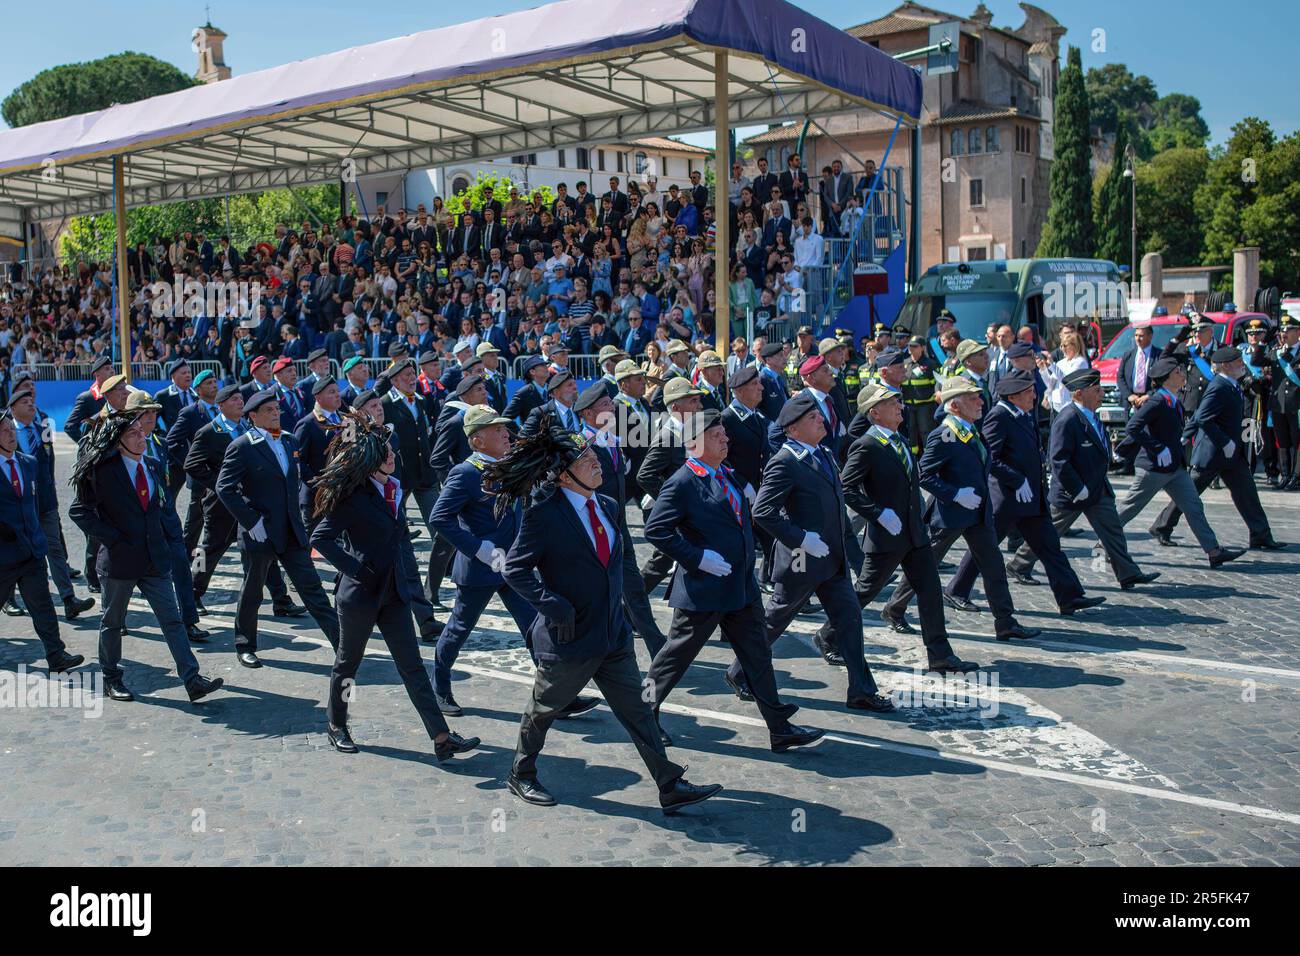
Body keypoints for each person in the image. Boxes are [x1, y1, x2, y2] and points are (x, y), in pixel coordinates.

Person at [491, 417, 722, 813]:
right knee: (543, 710)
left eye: (594, 455)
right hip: (570, 637)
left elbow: (620, 563)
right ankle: (521, 773)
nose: (596, 462)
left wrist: (631, 610)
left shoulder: (611, 506)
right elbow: (514, 569)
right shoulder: (544, 514)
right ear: (564, 476)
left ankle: (669, 783)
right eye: (585, 460)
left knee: (637, 709)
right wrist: (551, 604)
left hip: (613, 634)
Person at [643, 410, 824, 751]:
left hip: (740, 585)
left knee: (757, 654)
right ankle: (643, 710)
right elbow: (656, 529)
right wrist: (697, 558)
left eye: (725, 434)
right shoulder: (682, 482)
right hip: (704, 589)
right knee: (674, 658)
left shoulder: (727, 474)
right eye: (716, 435)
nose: (725, 439)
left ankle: (779, 726)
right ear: (694, 444)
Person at [308, 411, 480, 761]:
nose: (392, 456)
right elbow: (321, 539)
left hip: (395, 593)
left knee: (413, 666)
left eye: (391, 452)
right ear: (370, 460)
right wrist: (357, 570)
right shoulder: (353, 497)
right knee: (348, 663)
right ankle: (337, 724)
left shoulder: (393, 489)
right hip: (359, 595)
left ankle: (441, 737)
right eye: (385, 453)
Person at [727, 391, 896, 711]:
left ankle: (860, 689)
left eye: (819, 415)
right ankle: (739, 670)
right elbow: (763, 511)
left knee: (850, 619)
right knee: (776, 618)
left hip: (832, 558)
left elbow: (836, 509)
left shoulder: (823, 454)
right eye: (812, 418)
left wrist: (853, 556)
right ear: (792, 429)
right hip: (802, 558)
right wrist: (800, 538)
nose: (820, 420)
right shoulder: (785, 462)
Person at [429, 405, 598, 716]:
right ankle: (438, 690)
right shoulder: (466, 472)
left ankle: (557, 696)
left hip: (513, 567)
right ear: (477, 440)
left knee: (536, 627)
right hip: (481, 567)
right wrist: (478, 548)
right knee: (458, 630)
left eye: (504, 428)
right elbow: (439, 517)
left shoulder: (511, 464)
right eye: (496, 430)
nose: (506, 433)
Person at [68, 411, 224, 703]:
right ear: (118, 442)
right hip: (119, 562)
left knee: (173, 620)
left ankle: (192, 679)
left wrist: (172, 539)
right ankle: (111, 677)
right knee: (112, 622)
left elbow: (162, 506)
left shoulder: (152, 465)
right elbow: (79, 511)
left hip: (154, 559)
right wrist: (113, 538)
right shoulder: (103, 470)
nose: (141, 438)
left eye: (142, 432)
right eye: (133, 434)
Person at [828, 385, 978, 673]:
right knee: (864, 591)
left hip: (914, 533)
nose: (899, 405)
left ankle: (940, 655)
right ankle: (828, 635)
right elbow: (846, 488)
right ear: (875, 412)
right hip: (887, 536)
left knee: (931, 591)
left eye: (897, 400)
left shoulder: (899, 438)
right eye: (891, 402)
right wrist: (877, 514)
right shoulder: (867, 445)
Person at [883, 378, 1041, 640]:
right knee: (925, 566)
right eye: (973, 398)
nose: (980, 402)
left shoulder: (970, 430)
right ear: (954, 406)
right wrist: (955, 494)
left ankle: (1005, 621)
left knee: (993, 565)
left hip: (978, 513)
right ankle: (894, 608)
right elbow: (925, 475)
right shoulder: (943, 435)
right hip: (949, 515)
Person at [945, 370, 1107, 612]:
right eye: (1029, 392)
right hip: (1007, 499)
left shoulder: (1023, 414)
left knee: (1050, 547)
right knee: (984, 548)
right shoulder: (999, 416)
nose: (1034, 396)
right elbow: (991, 457)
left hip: (1031, 499)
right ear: (1013, 396)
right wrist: (1016, 479)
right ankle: (956, 590)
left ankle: (1070, 596)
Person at [215, 388, 341, 668]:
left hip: (291, 531)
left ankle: (342, 645)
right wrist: (250, 520)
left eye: (277, 409)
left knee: (313, 591)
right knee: (252, 591)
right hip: (259, 532)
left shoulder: (289, 441)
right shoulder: (243, 446)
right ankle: (245, 644)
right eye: (269, 410)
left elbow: (297, 479)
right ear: (253, 416)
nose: (276, 414)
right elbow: (225, 488)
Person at [1007, 368, 1166, 587]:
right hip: (1073, 491)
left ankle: (1128, 572)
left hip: (1097, 488)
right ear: (1079, 393)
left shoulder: (1091, 415)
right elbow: (1059, 460)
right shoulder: (1067, 418)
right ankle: (1019, 565)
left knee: (1113, 531)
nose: (1102, 394)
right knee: (1048, 533)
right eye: (1096, 390)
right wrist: (1077, 487)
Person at [184, 385, 305, 618]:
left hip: (250, 504)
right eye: (234, 400)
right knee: (208, 551)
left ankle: (281, 599)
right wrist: (220, 483)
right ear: (221, 406)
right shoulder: (210, 431)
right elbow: (192, 464)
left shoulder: (248, 428)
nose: (240, 402)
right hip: (222, 505)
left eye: (241, 398)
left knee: (266, 550)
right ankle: (193, 593)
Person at [1147, 347, 1286, 551]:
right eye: (1238, 361)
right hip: (1212, 453)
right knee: (1189, 494)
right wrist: (1220, 441)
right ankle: (1162, 526)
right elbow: (1203, 417)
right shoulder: (1219, 386)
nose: (1242, 364)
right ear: (1226, 366)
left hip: (1231, 454)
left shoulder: (1231, 384)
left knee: (1247, 493)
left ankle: (1261, 535)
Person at [1115, 357, 1246, 567]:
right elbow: (1133, 427)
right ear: (1166, 379)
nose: (1182, 373)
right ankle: (1104, 543)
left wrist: (1182, 438)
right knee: (1130, 508)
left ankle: (1213, 551)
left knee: (1194, 506)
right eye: (1177, 371)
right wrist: (1157, 448)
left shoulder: (1173, 399)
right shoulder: (1157, 401)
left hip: (1175, 467)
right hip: (1153, 468)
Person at [0, 407, 85, 673]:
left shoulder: (29, 463)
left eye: (11, 429)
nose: (10, 434)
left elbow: (33, 503)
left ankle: (56, 655)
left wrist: (37, 535)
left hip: (32, 551)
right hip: (3, 557)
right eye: (3, 431)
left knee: (44, 608)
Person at [6, 389, 95, 620]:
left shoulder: (43, 427)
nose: (30, 404)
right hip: (18, 507)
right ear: (12, 408)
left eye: (32, 401)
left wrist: (52, 496)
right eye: (24, 402)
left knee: (54, 549)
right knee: (14, 554)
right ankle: (9, 599)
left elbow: (49, 462)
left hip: (45, 503)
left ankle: (68, 599)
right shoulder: (6, 432)